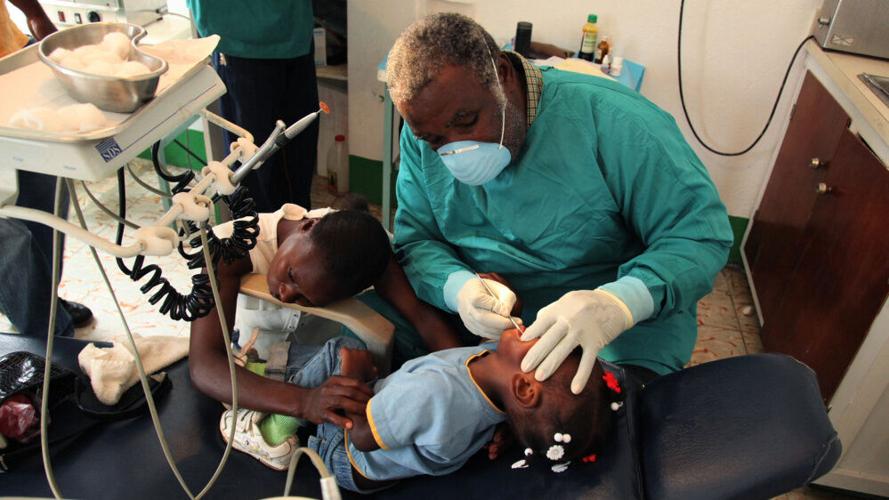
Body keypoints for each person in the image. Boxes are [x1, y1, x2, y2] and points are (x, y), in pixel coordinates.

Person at [382, 13, 734, 391]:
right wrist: (458, 289)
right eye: (436, 140)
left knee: (594, 426)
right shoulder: (423, 137)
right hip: (488, 321)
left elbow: (698, 237)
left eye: (467, 121)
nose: (455, 147)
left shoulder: (617, 124)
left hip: (613, 328)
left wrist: (620, 303)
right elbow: (417, 239)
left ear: (501, 74)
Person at [189, 204, 466, 443]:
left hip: (320, 370)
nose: (284, 293)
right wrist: (305, 401)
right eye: (291, 274)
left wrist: (473, 387)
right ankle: (265, 425)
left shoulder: (364, 251)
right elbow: (204, 364)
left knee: (359, 357)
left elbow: (421, 317)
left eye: (306, 299)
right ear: (307, 226)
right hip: (255, 372)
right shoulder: (231, 247)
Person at [224, 328, 620, 492]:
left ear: (525, 388)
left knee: (339, 353)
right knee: (346, 356)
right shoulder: (501, 392)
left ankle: (270, 430)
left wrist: (357, 379)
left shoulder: (436, 395)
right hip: (391, 437)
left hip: (346, 455)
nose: (536, 328)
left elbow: (362, 436)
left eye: (540, 338)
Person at [0, 0, 93, 336]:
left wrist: (35, 15)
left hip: (9, 61)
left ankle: (44, 299)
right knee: (7, 233)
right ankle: (43, 331)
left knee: (45, 199)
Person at [186, 0, 320, 212]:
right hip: (241, 42)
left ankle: (297, 231)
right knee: (254, 164)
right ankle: (263, 236)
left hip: (293, 30)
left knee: (298, 158)